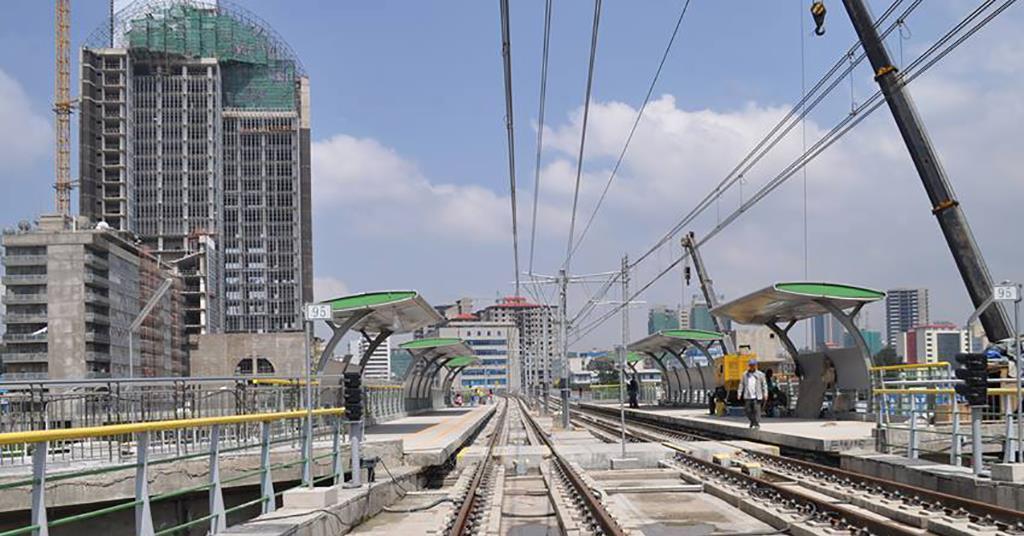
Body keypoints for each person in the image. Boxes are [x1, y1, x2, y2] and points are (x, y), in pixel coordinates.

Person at [740, 359, 767, 429]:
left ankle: (756, 423)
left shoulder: (760, 375)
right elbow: (741, 384)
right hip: (748, 395)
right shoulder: (745, 375)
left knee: (757, 410)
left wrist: (765, 393)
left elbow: (764, 385)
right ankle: (752, 421)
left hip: (757, 395)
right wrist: (739, 393)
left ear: (756, 366)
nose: (752, 367)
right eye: (750, 365)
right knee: (747, 410)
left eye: (753, 365)